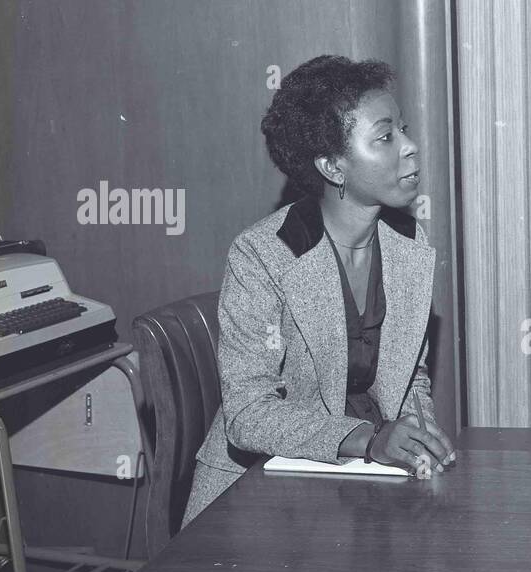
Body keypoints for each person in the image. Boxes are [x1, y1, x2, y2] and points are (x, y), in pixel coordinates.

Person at [184, 56, 454, 527]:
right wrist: (369, 440)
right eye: (386, 137)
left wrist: (417, 434)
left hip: (363, 483)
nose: (410, 148)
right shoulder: (261, 255)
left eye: (404, 131)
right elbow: (248, 415)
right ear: (333, 166)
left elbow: (411, 374)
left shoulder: (411, 243)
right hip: (258, 496)